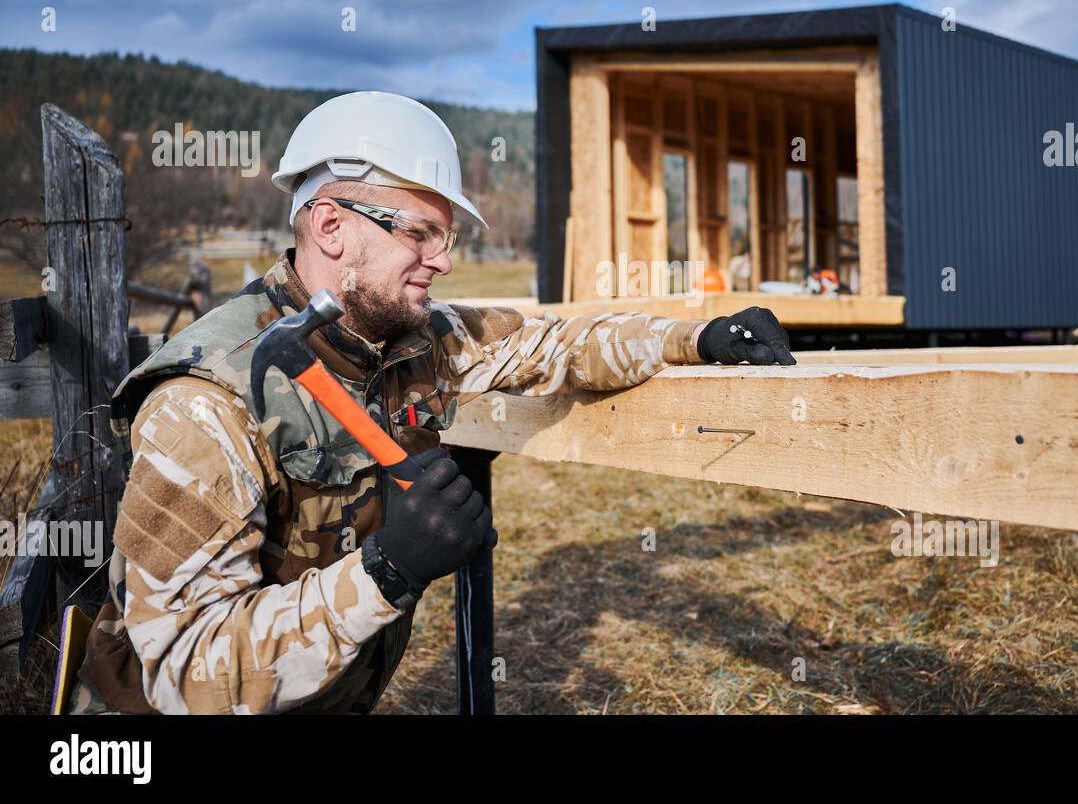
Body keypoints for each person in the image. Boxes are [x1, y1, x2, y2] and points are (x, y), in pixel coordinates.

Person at [68, 91, 796, 714]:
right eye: (421, 232)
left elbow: (552, 345)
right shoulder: (209, 402)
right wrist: (387, 571)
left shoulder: (414, 339)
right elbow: (180, 672)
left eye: (445, 236)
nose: (443, 260)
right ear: (330, 226)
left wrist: (696, 337)